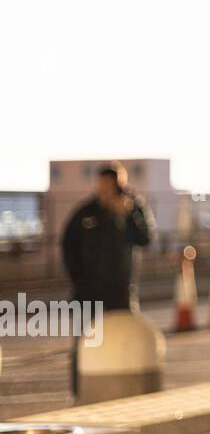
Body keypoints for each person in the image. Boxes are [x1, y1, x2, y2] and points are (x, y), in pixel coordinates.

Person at [61, 163, 155, 393]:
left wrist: (128, 216)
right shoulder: (86, 211)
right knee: (84, 342)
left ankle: (127, 390)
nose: (104, 190)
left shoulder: (133, 208)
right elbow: (67, 243)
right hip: (88, 292)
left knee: (124, 339)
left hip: (120, 291)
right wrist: (76, 276)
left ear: (120, 185)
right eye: (101, 184)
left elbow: (145, 239)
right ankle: (79, 391)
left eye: (110, 185)